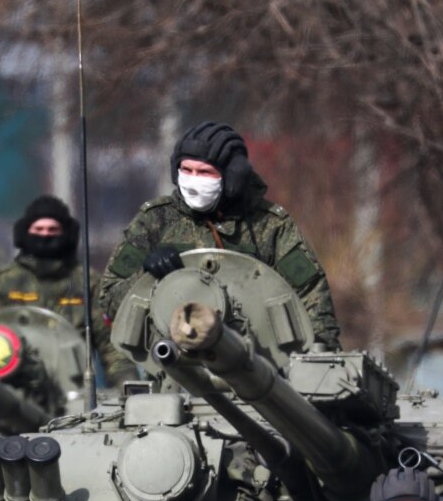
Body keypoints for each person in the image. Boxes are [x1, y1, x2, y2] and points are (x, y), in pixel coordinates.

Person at [98, 121, 341, 350]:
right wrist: (147, 275)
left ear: (233, 178)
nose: (193, 181)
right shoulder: (154, 221)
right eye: (186, 170)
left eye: (204, 172)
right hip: (174, 366)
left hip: (261, 362)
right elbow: (110, 301)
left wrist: (321, 360)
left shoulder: (269, 225)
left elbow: (312, 295)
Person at [0, 195, 137, 385]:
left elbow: (111, 346)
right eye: (38, 229)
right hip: (12, 388)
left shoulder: (86, 283)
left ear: (66, 234)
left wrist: (126, 387)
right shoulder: (4, 283)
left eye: (53, 230)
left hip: (73, 390)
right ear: (26, 233)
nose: (45, 235)